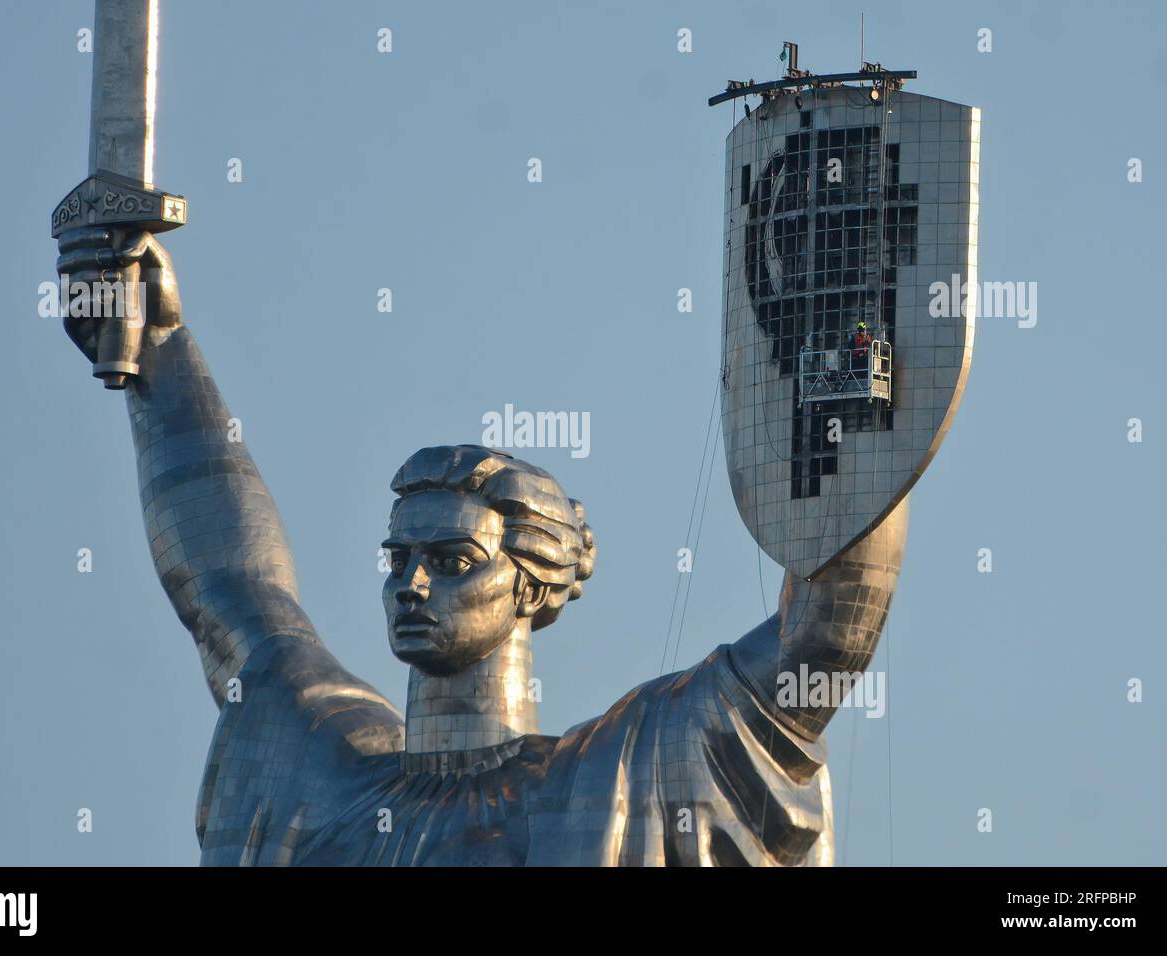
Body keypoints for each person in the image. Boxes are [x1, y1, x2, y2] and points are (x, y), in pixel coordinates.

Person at [54, 226, 909, 867]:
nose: (411, 587)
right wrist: (156, 349)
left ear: (532, 587)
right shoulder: (323, 771)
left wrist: (850, 343)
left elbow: (827, 636)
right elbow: (229, 590)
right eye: (398, 561)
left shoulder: (619, 773)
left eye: (453, 563)